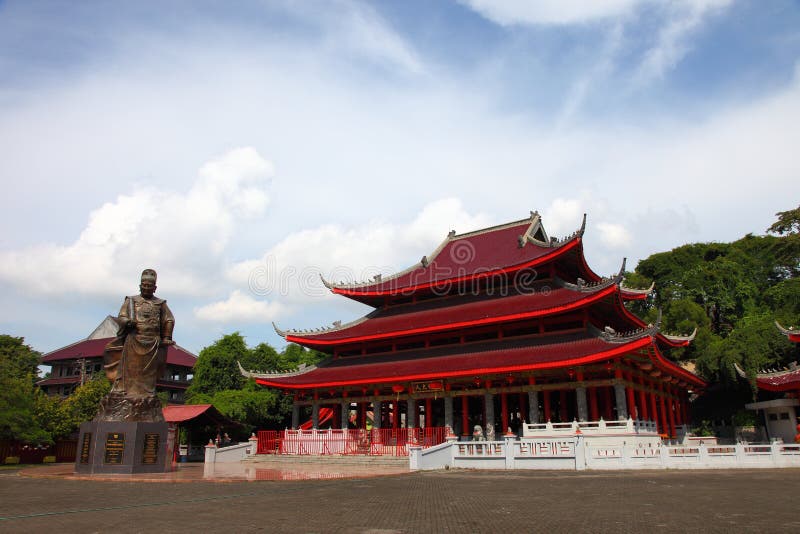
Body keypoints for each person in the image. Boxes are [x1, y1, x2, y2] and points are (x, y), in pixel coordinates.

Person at [104, 269, 175, 398]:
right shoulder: (131, 300)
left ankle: (146, 395)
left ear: (155, 288)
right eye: (144, 285)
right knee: (130, 369)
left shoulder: (160, 303)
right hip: (134, 340)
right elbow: (122, 316)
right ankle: (125, 391)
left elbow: (169, 319)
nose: (146, 288)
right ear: (140, 286)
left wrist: (167, 337)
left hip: (152, 342)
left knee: (149, 371)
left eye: (149, 286)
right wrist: (127, 322)